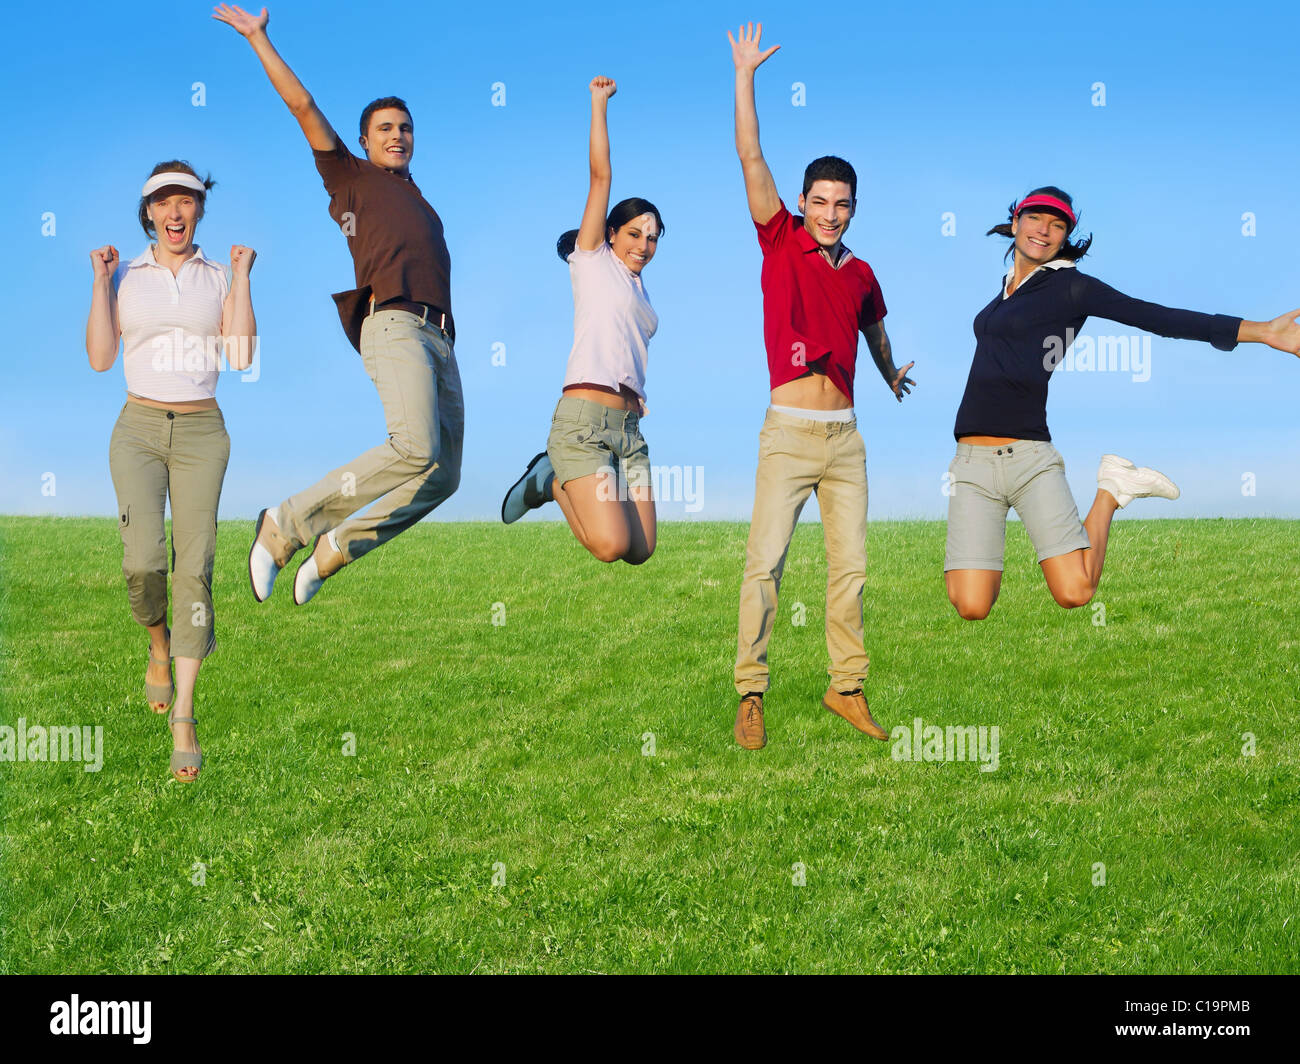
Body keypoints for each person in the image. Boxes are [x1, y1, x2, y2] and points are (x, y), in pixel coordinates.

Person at [945, 186, 1300, 620]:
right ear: (1016, 222)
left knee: (1075, 592)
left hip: (1028, 455)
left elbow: (1160, 317)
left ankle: (1112, 489)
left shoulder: (1072, 287)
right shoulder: (1005, 293)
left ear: (1065, 237)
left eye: (1058, 225)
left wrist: (1261, 330)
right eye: (1036, 218)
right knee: (972, 604)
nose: (1045, 230)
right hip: (971, 462)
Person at [215, 3, 463, 605]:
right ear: (362, 141)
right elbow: (303, 107)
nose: (397, 135)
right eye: (385, 128)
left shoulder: (420, 199)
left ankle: (334, 548)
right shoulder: (349, 177)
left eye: (405, 127)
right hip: (394, 322)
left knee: (444, 475)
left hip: (442, 338)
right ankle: (286, 525)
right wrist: (259, 39)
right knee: (414, 447)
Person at [728, 24, 915, 751]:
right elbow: (750, 154)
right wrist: (745, 75)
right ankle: (750, 691)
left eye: (843, 204)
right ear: (803, 200)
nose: (831, 212)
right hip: (789, 433)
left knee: (853, 569)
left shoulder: (863, 272)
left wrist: (891, 371)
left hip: (846, 439)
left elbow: (873, 330)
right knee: (765, 564)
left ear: (854, 209)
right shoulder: (780, 238)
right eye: (821, 200)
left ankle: (847, 687)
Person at [86, 160, 257, 782]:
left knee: (196, 565)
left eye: (186, 199)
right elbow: (102, 359)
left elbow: (239, 355)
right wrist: (101, 283)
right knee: (143, 562)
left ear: (199, 209)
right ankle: (158, 646)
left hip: (201, 432)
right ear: (150, 214)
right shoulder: (127, 274)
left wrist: (241, 279)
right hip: (136, 428)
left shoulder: (218, 275)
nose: (176, 211)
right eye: (164, 202)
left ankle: (184, 711)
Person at [500, 77, 662, 566]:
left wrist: (636, 398)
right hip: (583, 424)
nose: (643, 244)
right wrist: (599, 105)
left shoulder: (641, 292)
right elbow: (600, 178)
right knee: (610, 546)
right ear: (610, 234)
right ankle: (549, 478)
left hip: (627, 432)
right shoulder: (591, 262)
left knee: (641, 550)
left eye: (653, 238)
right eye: (634, 233)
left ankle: (562, 478)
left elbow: (626, 349)